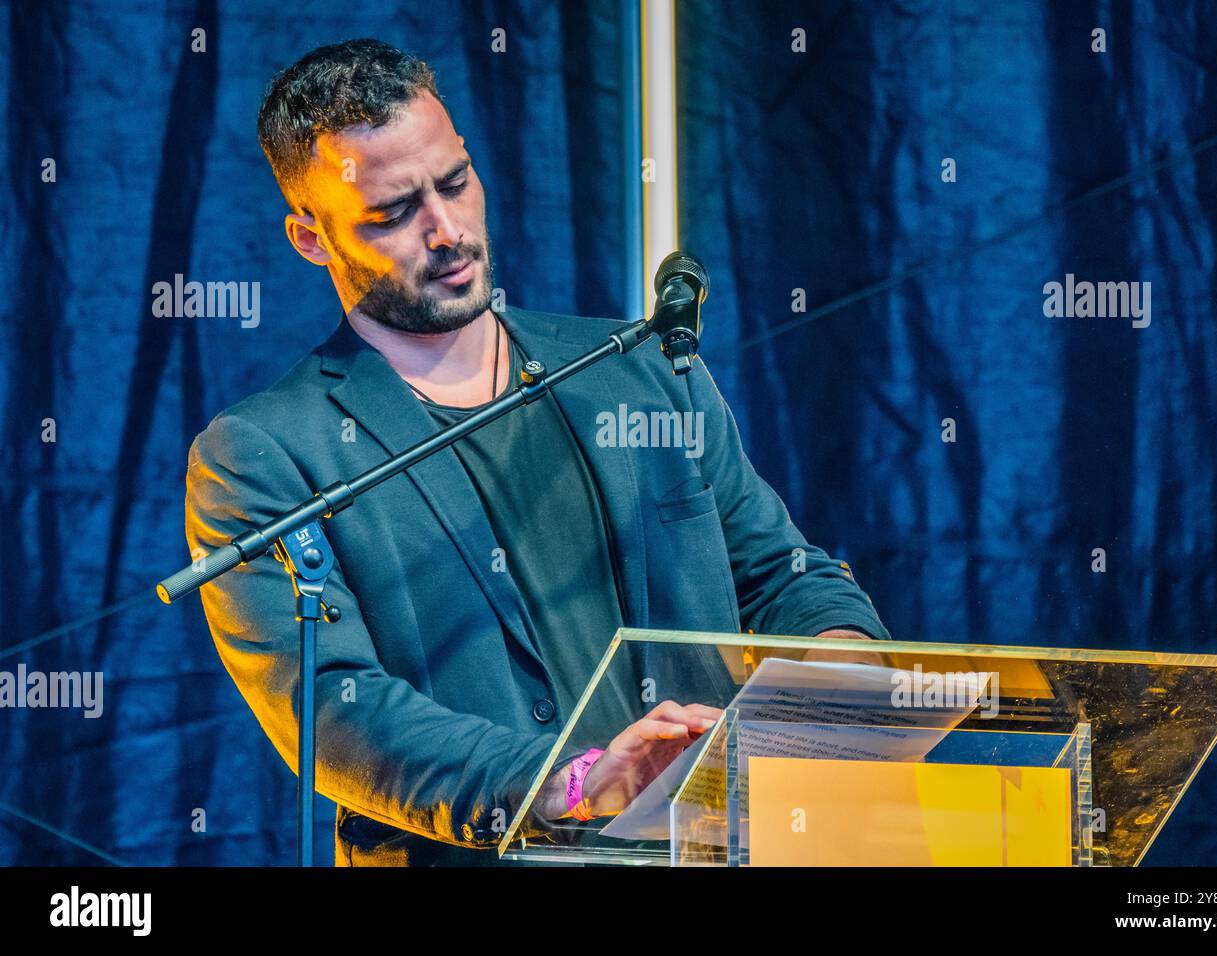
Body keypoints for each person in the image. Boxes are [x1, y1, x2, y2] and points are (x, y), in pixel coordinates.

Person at [185, 37, 891, 866]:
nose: (446, 230)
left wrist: (845, 664)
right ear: (311, 238)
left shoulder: (639, 370)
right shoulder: (262, 454)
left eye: (455, 182)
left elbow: (778, 574)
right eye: (394, 213)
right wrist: (574, 782)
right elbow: (337, 712)